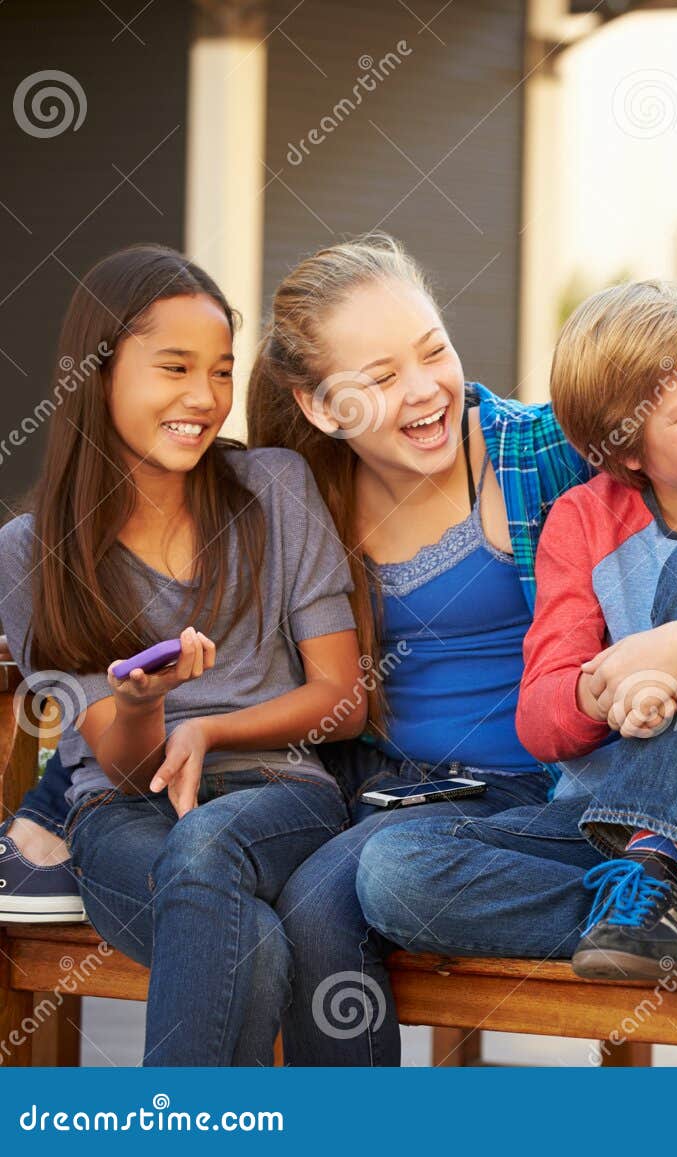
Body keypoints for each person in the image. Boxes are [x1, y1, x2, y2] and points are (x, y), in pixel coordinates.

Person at [354, 280, 677, 980]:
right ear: (628, 452)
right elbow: (539, 717)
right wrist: (604, 691)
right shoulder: (583, 521)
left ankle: (660, 876)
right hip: (605, 823)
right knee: (394, 871)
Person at [0, 245, 363, 1065]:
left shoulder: (275, 486)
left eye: (223, 372)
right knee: (255, 944)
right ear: (98, 374)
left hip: (281, 791)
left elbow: (343, 697)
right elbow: (123, 772)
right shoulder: (29, 553)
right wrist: (142, 703)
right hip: (122, 818)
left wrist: (212, 732)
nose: (204, 398)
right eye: (174, 367)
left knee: (205, 851)